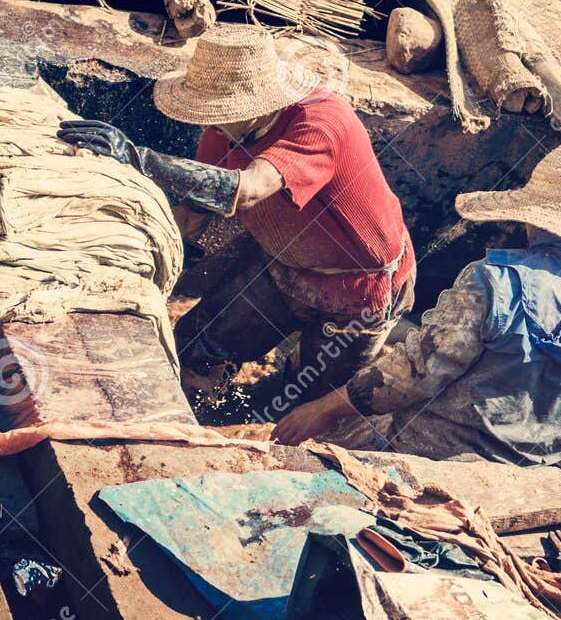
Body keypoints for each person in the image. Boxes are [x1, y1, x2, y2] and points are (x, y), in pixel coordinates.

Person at [271, 143, 561, 464]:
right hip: (526, 469)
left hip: (428, 453)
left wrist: (321, 409)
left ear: (530, 222)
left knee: (323, 431)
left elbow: (412, 376)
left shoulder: (491, 282)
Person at [58, 28, 415, 399]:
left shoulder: (322, 122)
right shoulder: (223, 131)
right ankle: (202, 407)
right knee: (196, 347)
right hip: (283, 266)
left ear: (255, 103)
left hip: (360, 286)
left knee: (305, 392)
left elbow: (250, 188)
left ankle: (278, 403)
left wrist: (139, 159)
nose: (209, 121)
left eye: (217, 110)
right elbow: (196, 208)